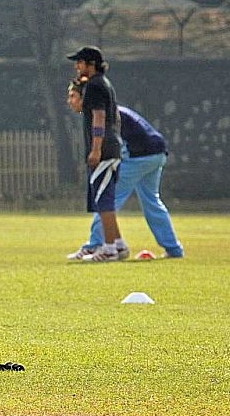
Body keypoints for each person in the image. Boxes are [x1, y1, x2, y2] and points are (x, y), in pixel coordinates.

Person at [65, 82, 184, 259]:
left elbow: (117, 144)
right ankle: (173, 249)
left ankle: (94, 245)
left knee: (107, 199)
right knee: (152, 201)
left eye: (73, 96)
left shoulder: (101, 115)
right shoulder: (105, 111)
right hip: (156, 152)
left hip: (139, 156)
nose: (69, 101)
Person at [66, 47, 129, 262]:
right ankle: (118, 245)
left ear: (90, 63)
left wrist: (96, 148)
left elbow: (99, 117)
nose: (77, 66)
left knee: (104, 202)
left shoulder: (95, 85)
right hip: (111, 147)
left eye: (80, 62)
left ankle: (109, 248)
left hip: (104, 150)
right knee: (104, 199)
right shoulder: (102, 84)